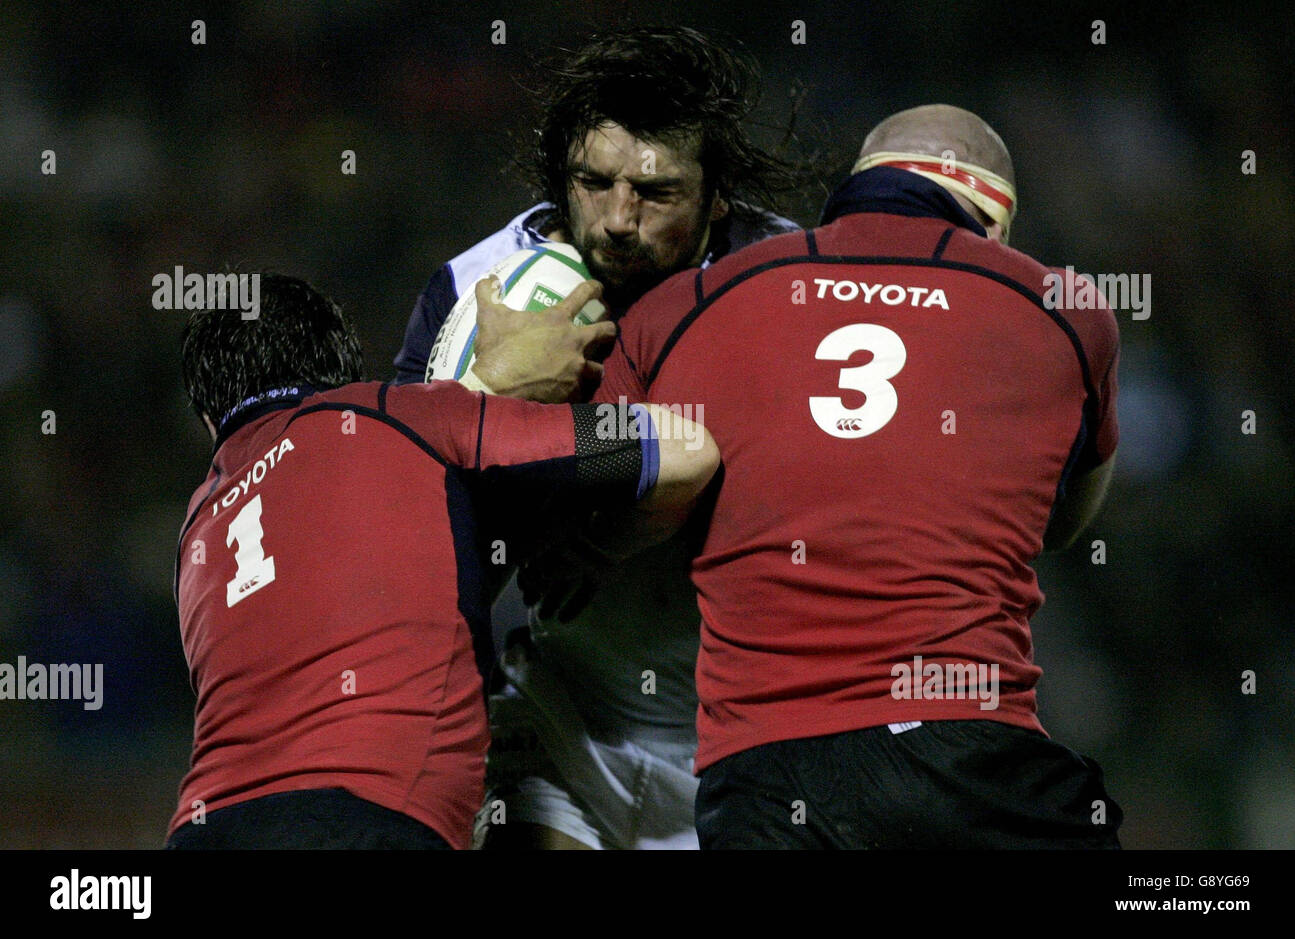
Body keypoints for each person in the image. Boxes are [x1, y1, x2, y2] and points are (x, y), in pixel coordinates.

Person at [592, 104, 1124, 848]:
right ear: (995, 222)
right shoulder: (1068, 310)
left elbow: (597, 514)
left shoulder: (678, 310)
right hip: (972, 760)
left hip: (762, 784)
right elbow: (1063, 524)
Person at [392, 26, 800, 850]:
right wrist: (494, 411)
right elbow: (405, 506)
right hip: (562, 715)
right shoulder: (479, 287)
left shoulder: (787, 283)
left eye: (656, 194)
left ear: (718, 195)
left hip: (749, 733)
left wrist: (608, 530)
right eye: (593, 182)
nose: (618, 219)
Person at [166, 273, 717, 849]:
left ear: (209, 418)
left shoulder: (195, 528)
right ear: (345, 365)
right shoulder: (400, 417)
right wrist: (593, 546)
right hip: (370, 820)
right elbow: (684, 451)